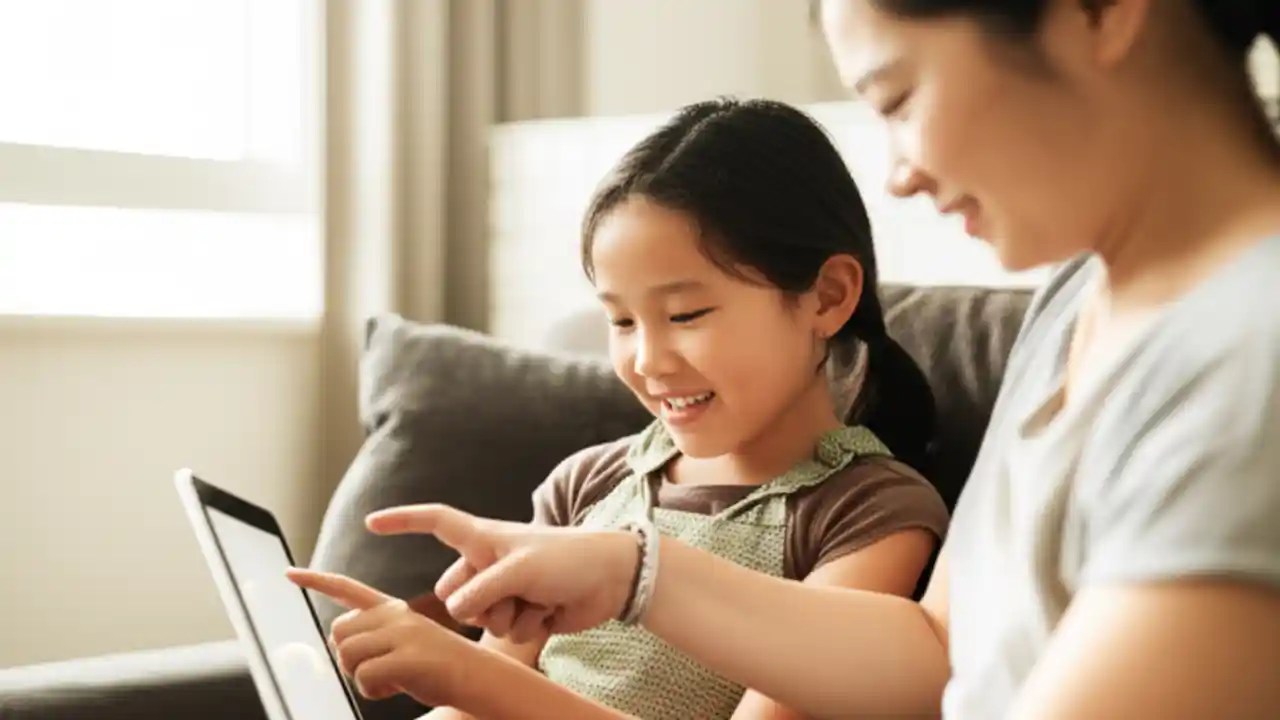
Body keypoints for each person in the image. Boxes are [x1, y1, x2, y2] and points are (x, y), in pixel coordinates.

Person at [291, 0, 1280, 717]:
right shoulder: (1078, 294)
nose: (899, 173)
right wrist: (633, 571)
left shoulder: (1251, 352)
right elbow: (933, 654)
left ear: (1098, 11)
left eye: (898, 96)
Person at [292, 97, 949, 720]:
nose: (648, 360)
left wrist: (465, 673)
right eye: (622, 321)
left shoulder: (869, 512)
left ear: (827, 297)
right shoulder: (590, 485)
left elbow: (486, 690)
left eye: (686, 314)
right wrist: (434, 672)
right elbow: (472, 706)